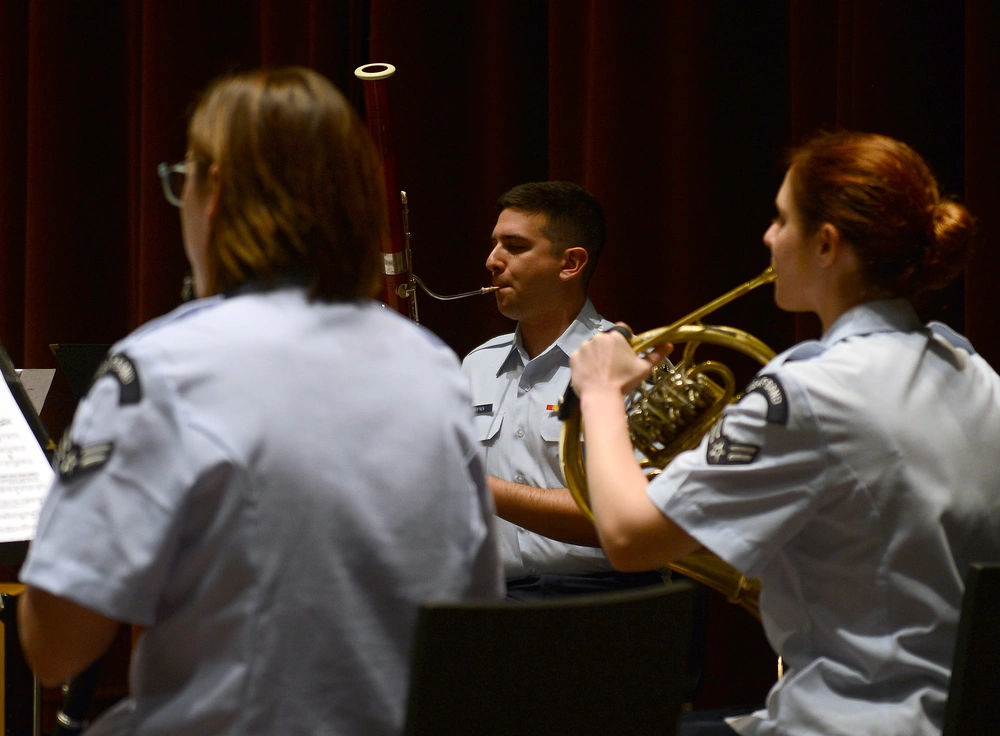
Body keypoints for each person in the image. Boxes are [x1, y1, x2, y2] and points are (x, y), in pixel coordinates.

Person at [17, 67, 503, 736]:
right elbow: (474, 614)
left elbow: (55, 650)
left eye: (181, 180)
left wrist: (68, 513)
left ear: (213, 192)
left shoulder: (160, 369)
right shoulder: (434, 368)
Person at [569, 131, 1000, 735]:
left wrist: (600, 394)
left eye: (780, 219)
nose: (768, 238)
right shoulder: (974, 371)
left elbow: (626, 537)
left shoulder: (807, 389)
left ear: (826, 244)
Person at [462, 181, 664, 599]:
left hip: (609, 601)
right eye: (493, 244)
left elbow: (637, 517)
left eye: (513, 246)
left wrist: (472, 484)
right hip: (493, 601)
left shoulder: (630, 363)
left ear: (570, 263)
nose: (491, 261)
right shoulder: (475, 365)